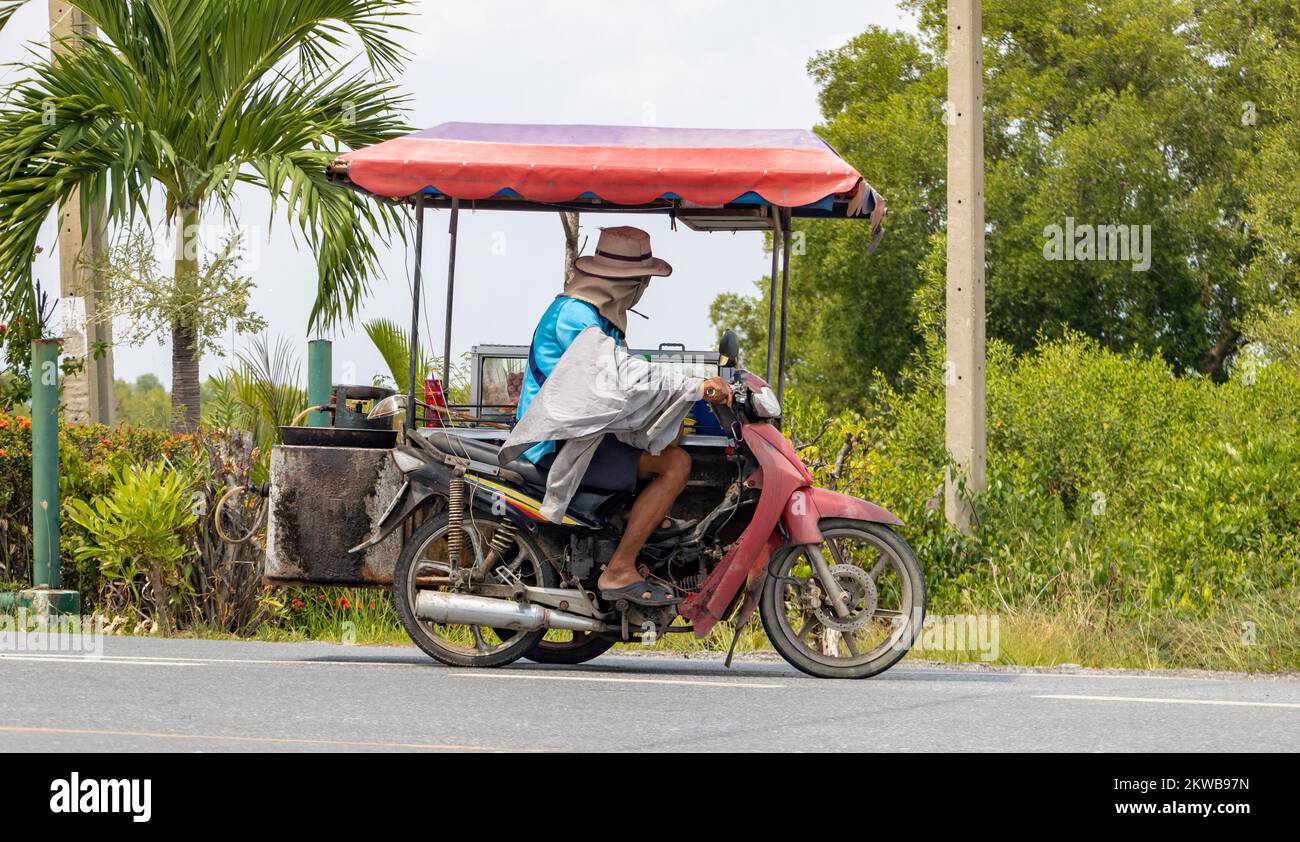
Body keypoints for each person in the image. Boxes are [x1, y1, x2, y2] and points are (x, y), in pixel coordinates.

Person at [515, 226, 731, 606]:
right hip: (553, 443)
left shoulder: (597, 319)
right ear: (628, 282)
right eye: (641, 280)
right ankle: (619, 570)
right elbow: (616, 374)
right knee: (675, 465)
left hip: (579, 434)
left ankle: (637, 525)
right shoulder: (574, 316)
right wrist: (694, 385)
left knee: (670, 435)